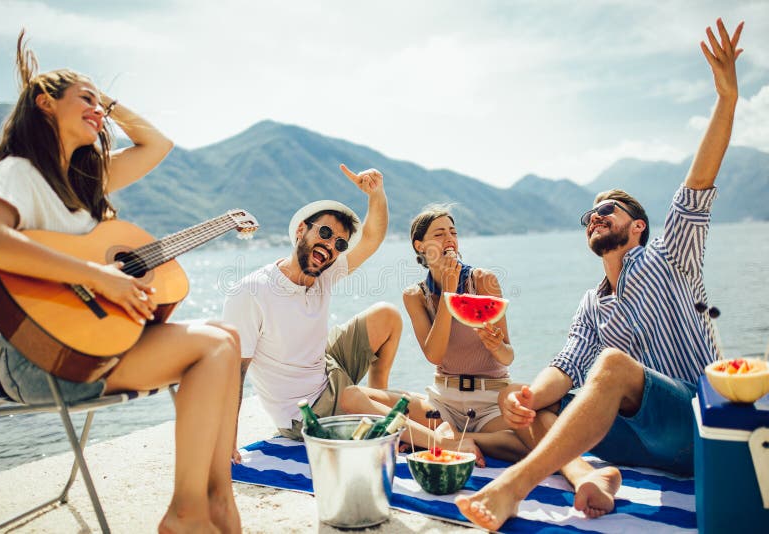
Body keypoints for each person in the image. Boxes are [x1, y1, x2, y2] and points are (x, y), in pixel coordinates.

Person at [455, 18, 744, 530]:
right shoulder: (592, 303)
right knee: (545, 406)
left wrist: (726, 99)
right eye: (589, 214)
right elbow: (564, 365)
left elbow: (699, 181)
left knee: (610, 365)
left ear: (638, 226)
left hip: (691, 426)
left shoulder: (671, 255)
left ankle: (514, 486)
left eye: (607, 209)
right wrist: (521, 398)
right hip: (635, 441)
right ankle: (591, 474)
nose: (595, 216)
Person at [0, 32, 242, 534]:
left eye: (102, 102)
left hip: (85, 345)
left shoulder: (81, 184)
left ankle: (217, 500)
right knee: (213, 349)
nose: (98, 110)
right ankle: (187, 511)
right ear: (44, 103)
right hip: (37, 359)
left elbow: (157, 144)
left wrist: (104, 104)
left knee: (228, 336)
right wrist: (98, 276)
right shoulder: (16, 173)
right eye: (86, 100)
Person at [221, 165, 402, 457]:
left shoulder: (325, 273)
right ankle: (379, 415)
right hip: (303, 410)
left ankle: (375, 397)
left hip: (327, 370)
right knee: (399, 410)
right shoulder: (252, 291)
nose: (331, 245)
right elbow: (231, 374)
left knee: (387, 315)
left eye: (339, 243)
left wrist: (376, 194)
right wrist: (225, 441)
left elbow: (371, 239)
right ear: (301, 230)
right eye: (325, 233)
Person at [340, 205, 529, 464]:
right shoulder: (415, 295)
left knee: (528, 443)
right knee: (351, 396)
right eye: (439, 234)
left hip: (490, 402)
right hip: (442, 404)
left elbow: (508, 357)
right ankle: (443, 438)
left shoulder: (483, 281)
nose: (449, 238)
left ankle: (441, 439)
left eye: (453, 232)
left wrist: (497, 346)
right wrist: (449, 295)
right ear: (420, 246)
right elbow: (435, 355)